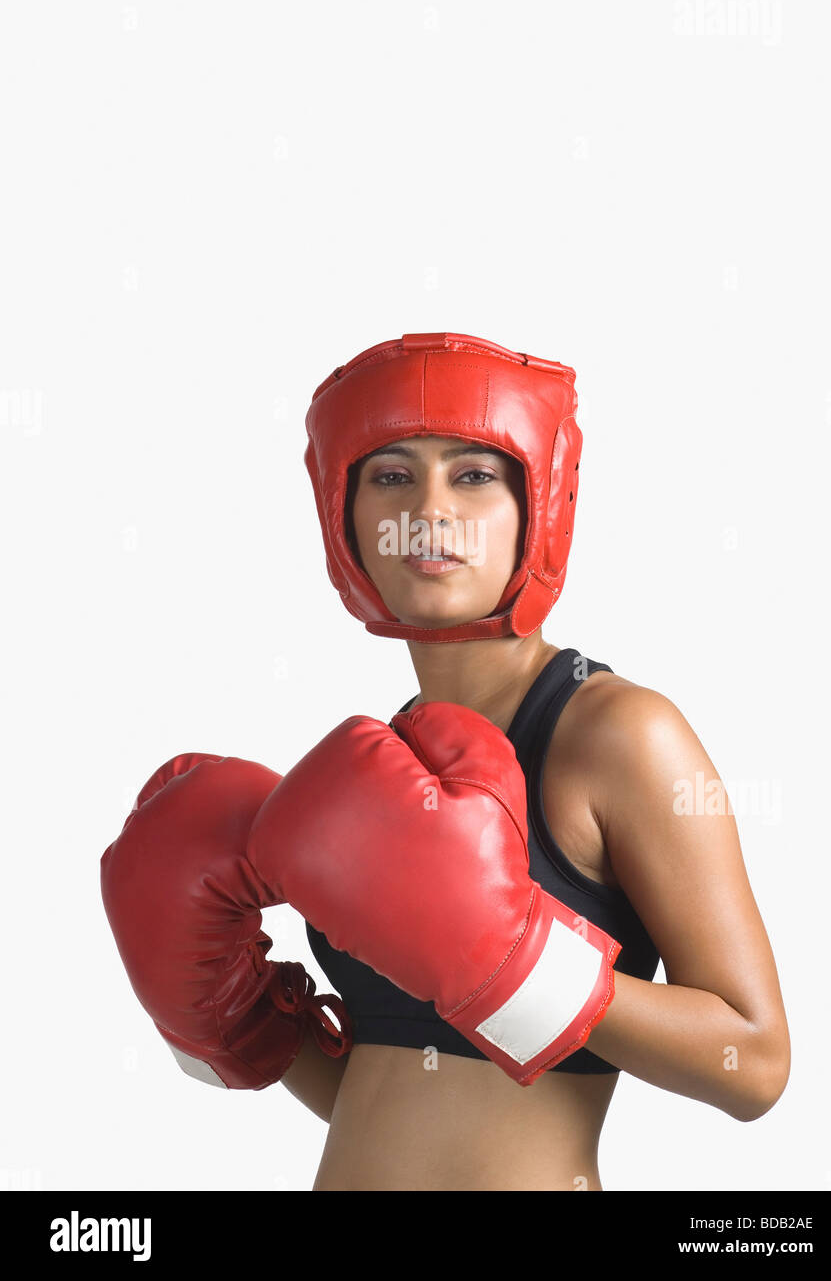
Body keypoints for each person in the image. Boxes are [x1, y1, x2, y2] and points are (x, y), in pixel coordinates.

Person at [101, 331, 790, 1192]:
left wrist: (519, 959)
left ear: (537, 504)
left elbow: (754, 1063)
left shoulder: (616, 732)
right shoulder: (386, 766)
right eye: (391, 476)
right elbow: (390, 1090)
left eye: (473, 475)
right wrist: (236, 1017)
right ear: (343, 513)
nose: (428, 512)